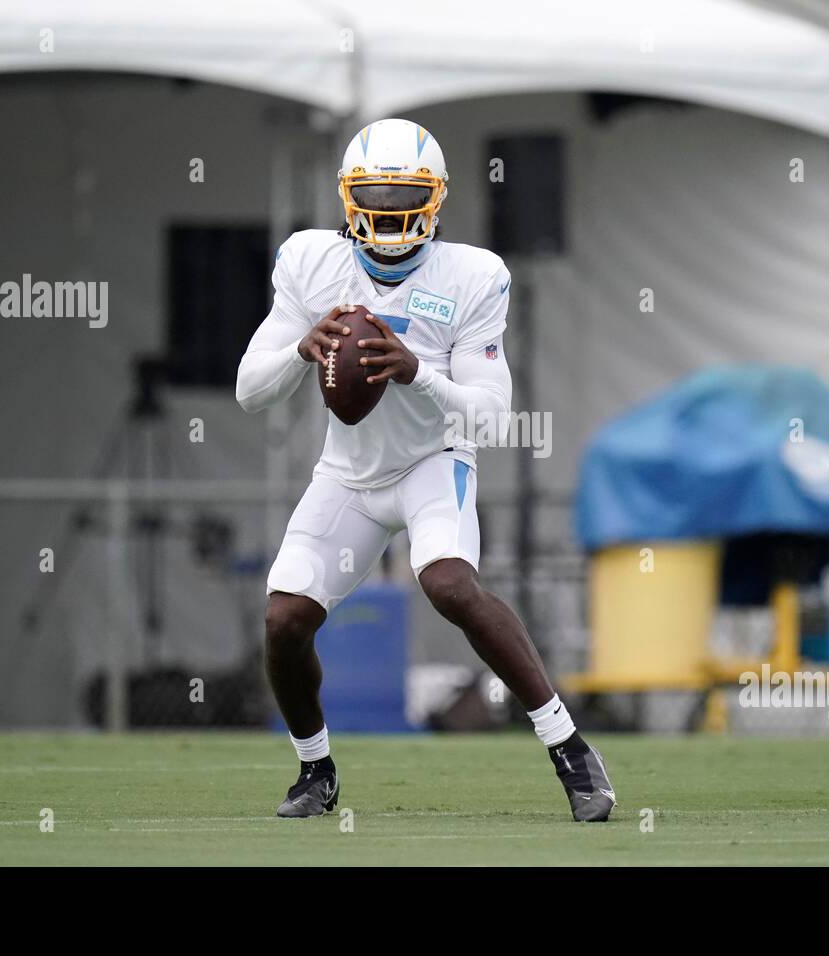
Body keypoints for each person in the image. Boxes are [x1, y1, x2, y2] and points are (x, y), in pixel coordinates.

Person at [235, 118, 614, 822]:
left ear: (434, 199)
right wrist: (299, 351)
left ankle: (570, 749)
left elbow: (492, 419)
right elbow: (248, 388)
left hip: (430, 462)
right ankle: (315, 771)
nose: (385, 210)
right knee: (285, 618)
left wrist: (418, 374)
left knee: (448, 583)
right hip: (347, 475)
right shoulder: (312, 262)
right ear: (347, 197)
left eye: (401, 193)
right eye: (373, 194)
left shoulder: (470, 276)